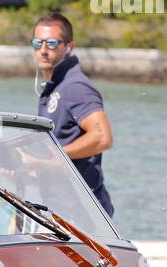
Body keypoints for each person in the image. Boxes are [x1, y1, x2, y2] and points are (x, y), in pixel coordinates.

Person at [32, 13, 114, 217]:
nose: (43, 50)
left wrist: (57, 154)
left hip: (85, 215)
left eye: (51, 43)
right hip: (61, 212)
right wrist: (29, 169)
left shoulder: (74, 86)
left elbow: (102, 137)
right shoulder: (55, 88)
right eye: (37, 43)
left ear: (69, 47)